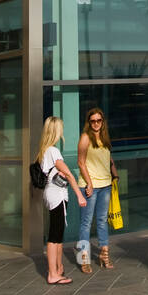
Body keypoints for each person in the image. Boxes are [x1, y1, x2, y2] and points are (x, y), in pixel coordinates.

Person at [37, 116, 86, 285]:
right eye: (61, 128)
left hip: (52, 194)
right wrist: (79, 195)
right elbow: (69, 174)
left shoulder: (45, 150)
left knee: (57, 234)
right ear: (56, 131)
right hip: (56, 196)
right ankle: (53, 274)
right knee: (54, 236)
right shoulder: (53, 151)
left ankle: (58, 269)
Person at [75, 106, 118, 274]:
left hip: (106, 185)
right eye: (92, 121)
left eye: (99, 120)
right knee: (86, 223)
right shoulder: (85, 138)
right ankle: (83, 259)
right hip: (89, 186)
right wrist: (89, 183)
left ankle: (104, 255)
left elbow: (108, 157)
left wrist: (114, 175)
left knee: (102, 220)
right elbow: (80, 162)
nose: (96, 123)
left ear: (102, 121)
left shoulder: (105, 137)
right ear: (88, 122)